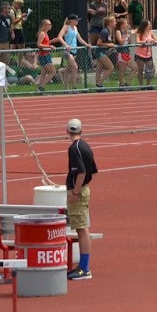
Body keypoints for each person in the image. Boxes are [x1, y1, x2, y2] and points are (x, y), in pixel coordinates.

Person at [65, 118, 98, 280]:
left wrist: (75, 193)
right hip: (85, 189)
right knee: (82, 228)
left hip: (79, 191)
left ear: (67, 132)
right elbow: (93, 170)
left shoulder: (74, 148)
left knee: (81, 229)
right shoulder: (85, 146)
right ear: (81, 131)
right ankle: (83, 267)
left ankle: (84, 268)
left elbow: (82, 171)